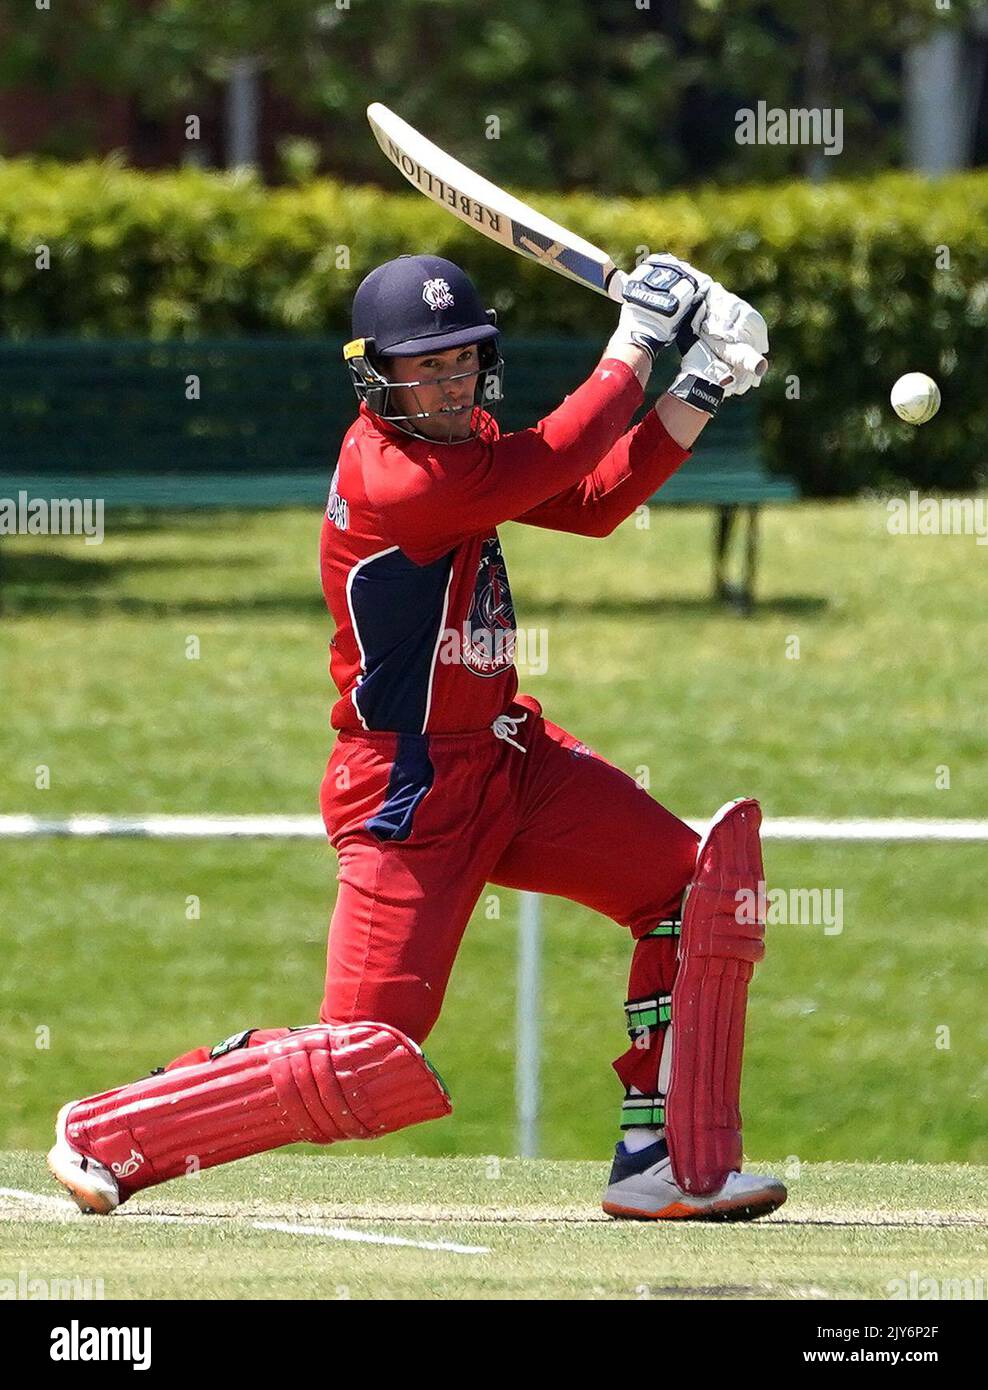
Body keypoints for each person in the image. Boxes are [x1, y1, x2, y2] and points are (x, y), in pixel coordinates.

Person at [47, 251, 785, 1222]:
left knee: (692, 889)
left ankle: (664, 1158)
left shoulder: (463, 446)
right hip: (406, 784)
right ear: (376, 376)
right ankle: (114, 1126)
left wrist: (701, 383)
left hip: (506, 756)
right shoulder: (396, 476)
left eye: (460, 363)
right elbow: (559, 454)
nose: (444, 386)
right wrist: (640, 340)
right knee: (369, 1056)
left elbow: (590, 500)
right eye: (419, 368)